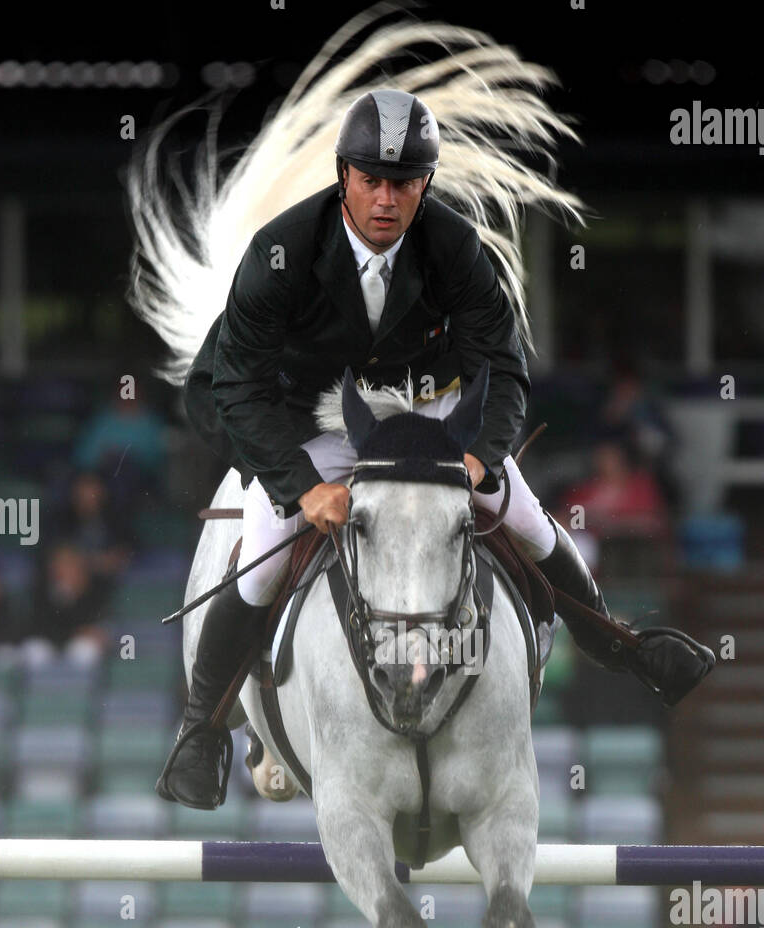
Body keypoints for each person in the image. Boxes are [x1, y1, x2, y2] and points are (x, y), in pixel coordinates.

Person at [155, 90, 710, 809]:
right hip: (316, 425)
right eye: (372, 180)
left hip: (426, 417)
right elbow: (235, 387)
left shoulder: (453, 247)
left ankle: (623, 645)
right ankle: (202, 732)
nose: (388, 198)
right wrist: (299, 484)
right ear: (343, 176)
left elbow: (503, 367)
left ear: (426, 183)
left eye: (405, 182)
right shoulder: (282, 251)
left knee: (527, 518)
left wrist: (481, 452)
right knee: (261, 559)